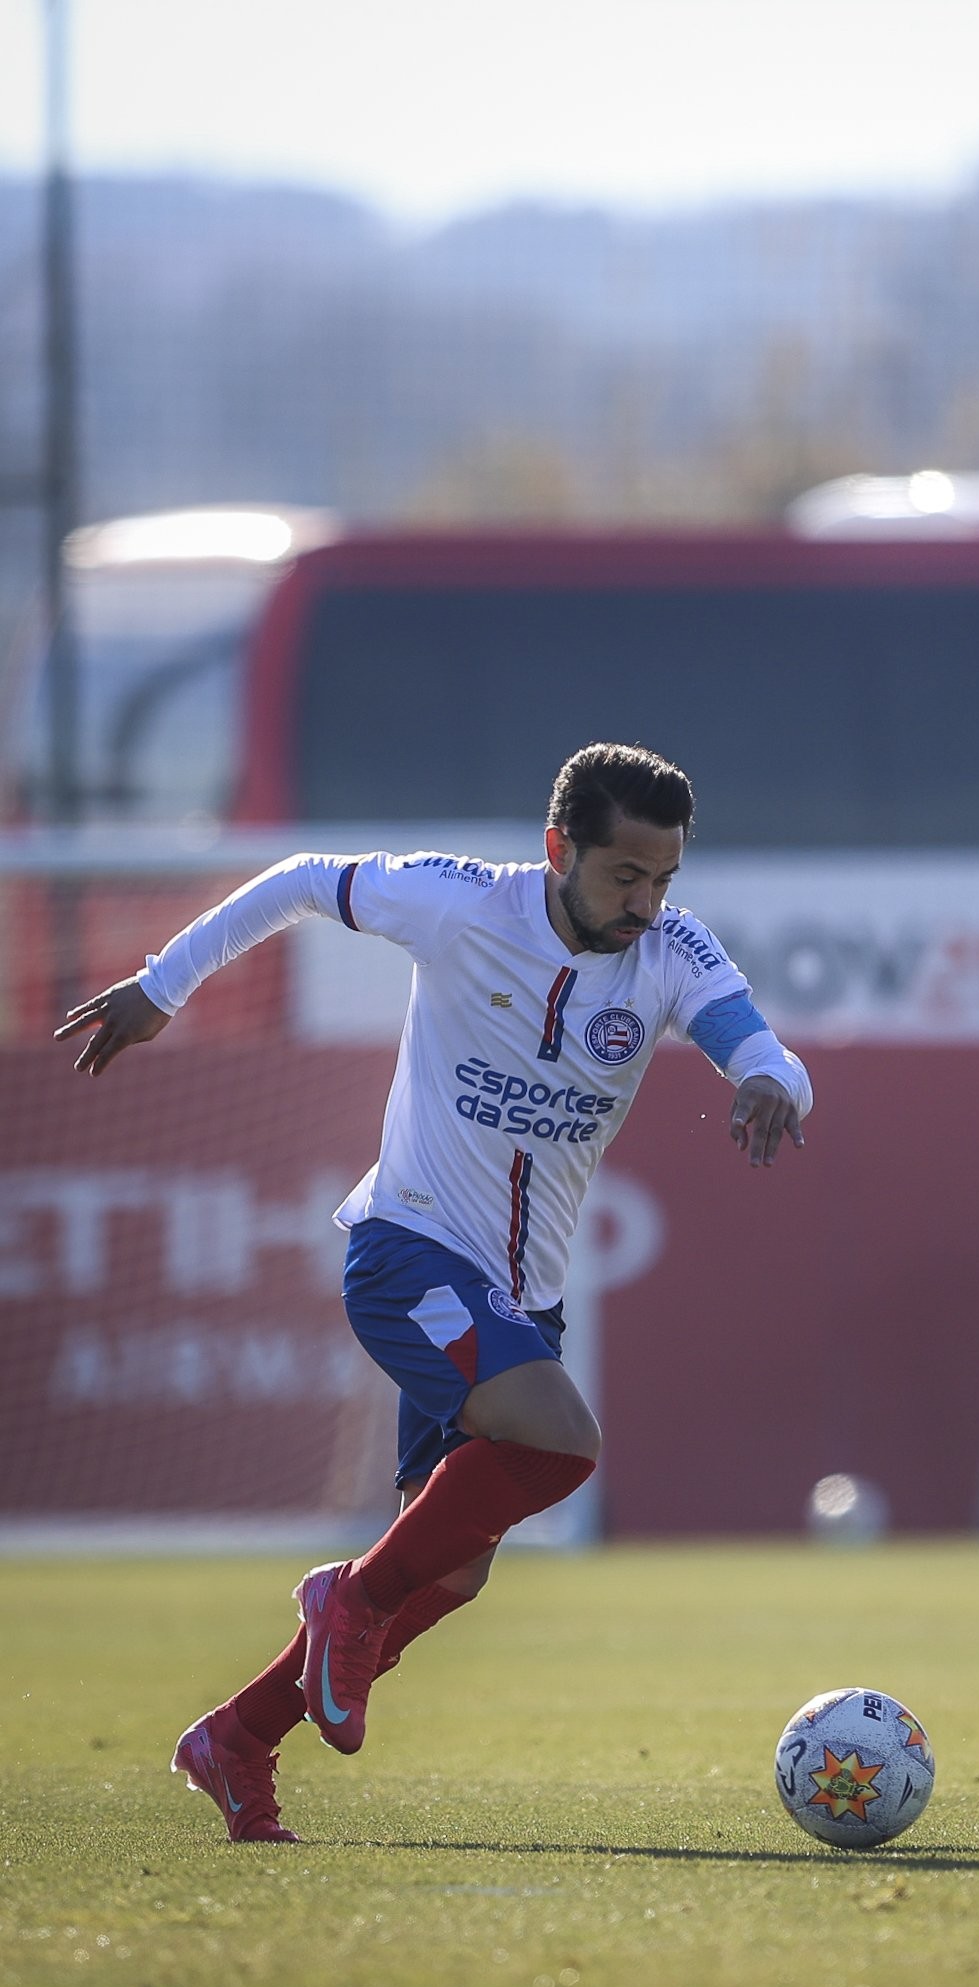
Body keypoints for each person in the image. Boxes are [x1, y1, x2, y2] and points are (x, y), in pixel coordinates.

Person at [56, 742, 811, 1844]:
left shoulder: (670, 953)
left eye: (663, 880)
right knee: (560, 1441)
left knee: (450, 1571)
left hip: (519, 1300)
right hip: (408, 1251)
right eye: (623, 877)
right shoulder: (461, 904)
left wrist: (763, 1082)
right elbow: (302, 878)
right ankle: (344, 1601)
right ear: (560, 849)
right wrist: (164, 984)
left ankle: (235, 1738)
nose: (645, 903)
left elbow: (768, 1050)